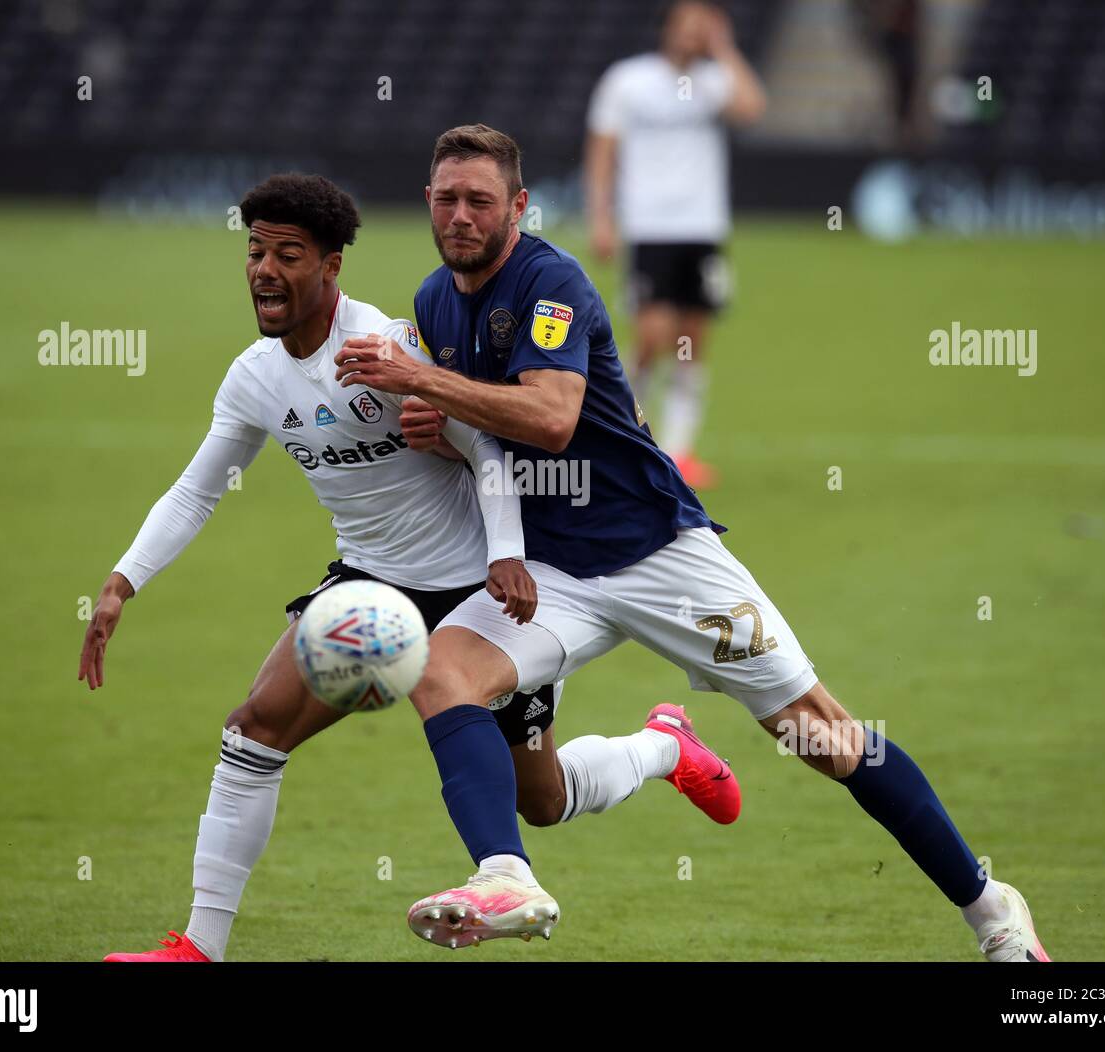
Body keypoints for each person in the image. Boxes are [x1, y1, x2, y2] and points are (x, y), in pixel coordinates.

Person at [335, 126, 1049, 961]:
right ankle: (509, 876)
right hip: (552, 571)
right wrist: (441, 430)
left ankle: (992, 910)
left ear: (518, 207)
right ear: (427, 200)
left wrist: (421, 381)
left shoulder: (550, 282)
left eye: (480, 201)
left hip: (658, 554)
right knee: (443, 677)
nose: (461, 216)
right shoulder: (433, 300)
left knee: (822, 736)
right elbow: (485, 436)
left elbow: (553, 419)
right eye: (448, 199)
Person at [85, 173, 737, 963]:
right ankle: (199, 947)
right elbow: (196, 491)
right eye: (255, 252)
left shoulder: (390, 348)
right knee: (254, 731)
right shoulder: (254, 378)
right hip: (370, 588)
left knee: (542, 798)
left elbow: (487, 449)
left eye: (288, 255)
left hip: (476, 593)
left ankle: (664, 747)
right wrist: (121, 583)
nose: (264, 270)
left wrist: (507, 554)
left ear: (331, 267)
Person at [584, 0, 767, 488]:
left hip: (702, 229)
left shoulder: (714, 81)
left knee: (692, 343)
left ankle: (679, 452)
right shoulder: (629, 80)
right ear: (667, 27)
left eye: (701, 26)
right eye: (685, 24)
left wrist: (724, 49)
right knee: (651, 338)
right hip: (649, 229)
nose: (691, 33)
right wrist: (601, 217)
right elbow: (602, 150)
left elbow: (753, 107)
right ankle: (623, 434)